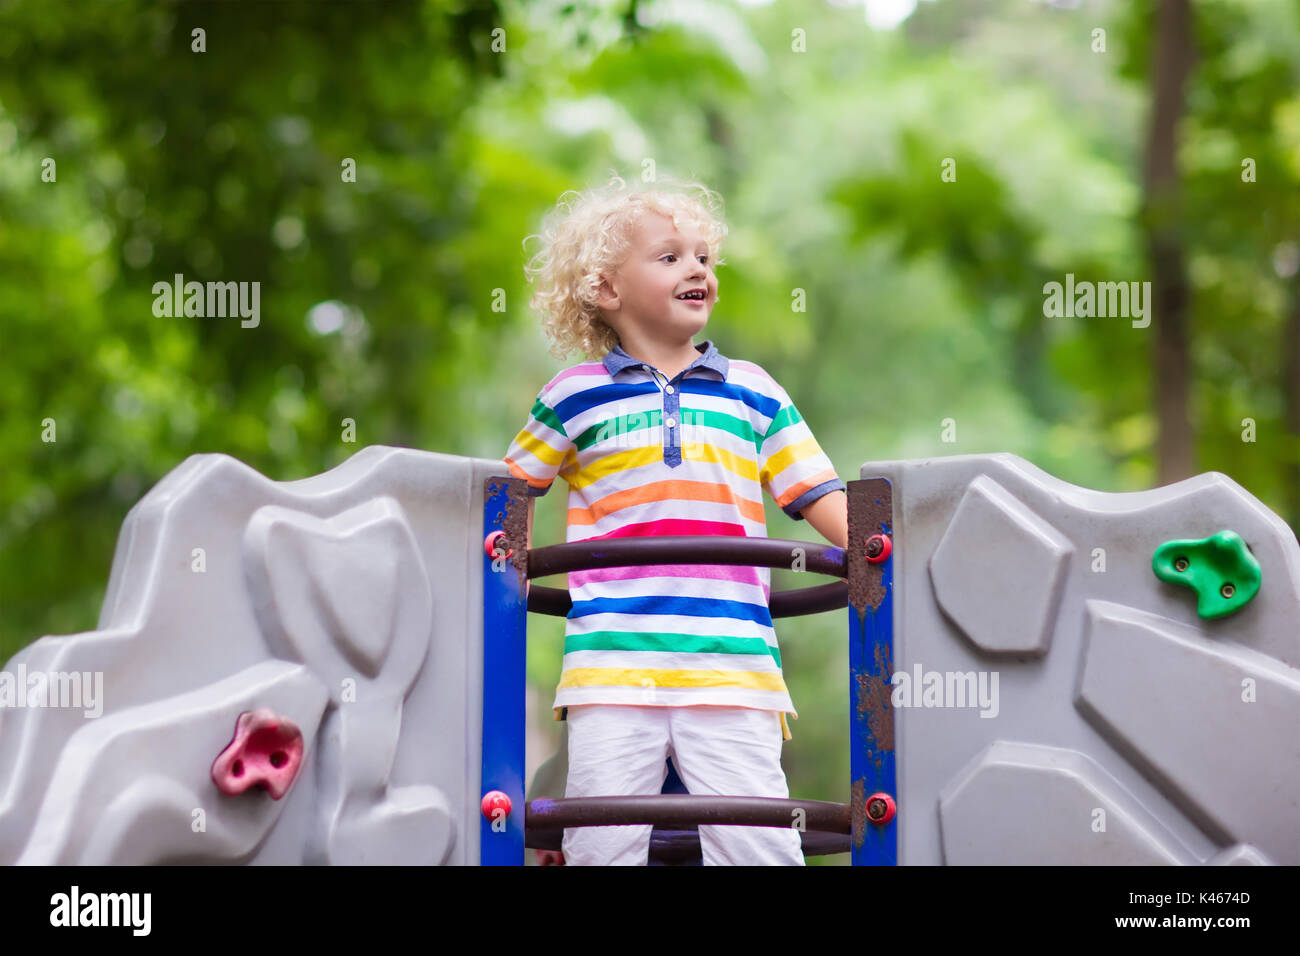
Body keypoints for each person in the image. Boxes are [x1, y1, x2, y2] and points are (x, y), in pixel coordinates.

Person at [503, 173, 849, 866]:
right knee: (603, 841)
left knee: (756, 841)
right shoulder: (574, 396)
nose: (696, 268)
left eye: (704, 257)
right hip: (611, 668)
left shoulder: (753, 391)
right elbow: (507, 497)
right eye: (669, 257)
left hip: (734, 667)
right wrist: (492, 567)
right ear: (608, 290)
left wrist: (884, 550)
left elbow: (818, 494)